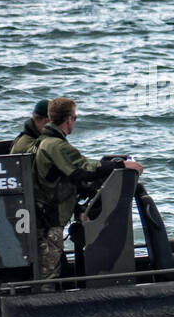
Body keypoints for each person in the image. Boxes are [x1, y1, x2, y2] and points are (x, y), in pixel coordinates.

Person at [33, 97, 143, 280]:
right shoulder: (56, 145)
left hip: (46, 215)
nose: (74, 122)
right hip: (49, 220)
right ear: (68, 119)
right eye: (74, 118)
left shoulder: (45, 142)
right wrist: (122, 165)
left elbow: (66, 178)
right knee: (49, 275)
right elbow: (83, 170)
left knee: (53, 268)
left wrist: (79, 208)